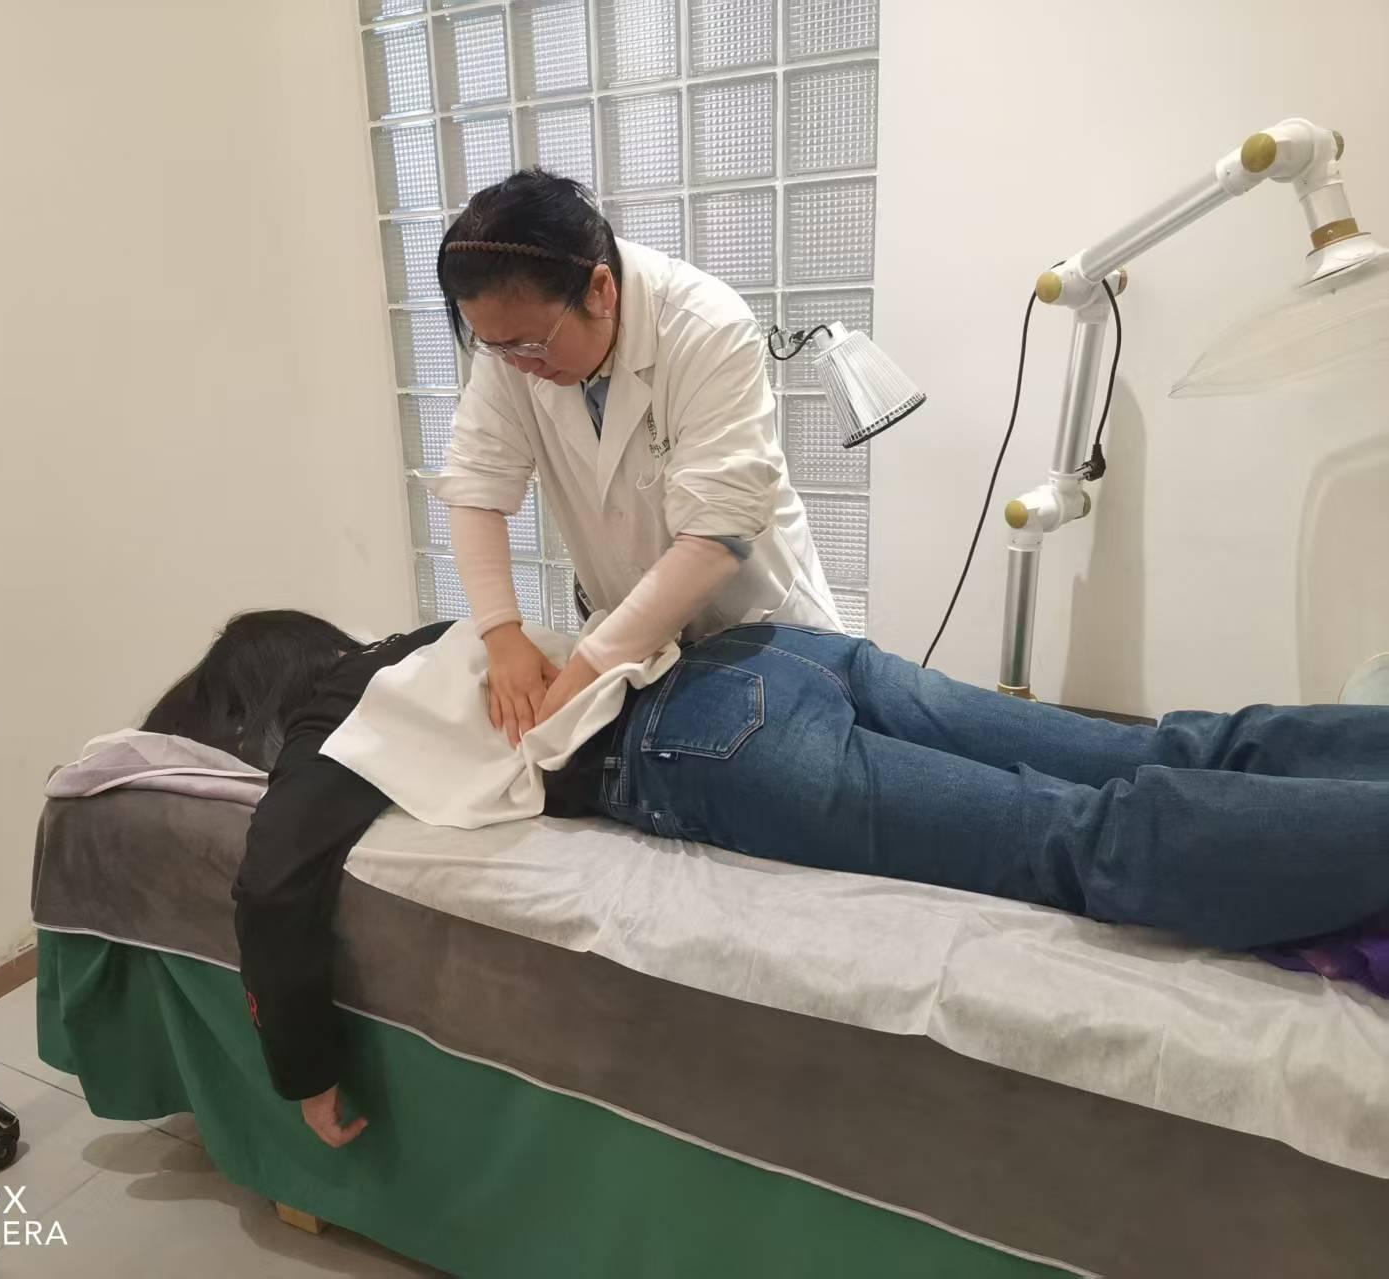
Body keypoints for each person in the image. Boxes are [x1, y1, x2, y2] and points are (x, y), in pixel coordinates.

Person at [184, 611, 1389, 1148]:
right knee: (1152, 748)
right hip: (780, 652)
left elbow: (272, 882)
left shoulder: (329, 722)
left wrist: (305, 1072)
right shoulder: (428, 636)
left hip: (710, 743)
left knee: (1074, 842)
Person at [434, 169, 841, 747]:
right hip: (637, 651)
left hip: (758, 631)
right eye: (495, 347)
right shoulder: (512, 346)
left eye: (530, 344)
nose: (519, 365)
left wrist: (589, 666)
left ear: (600, 290)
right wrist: (501, 634)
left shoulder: (707, 327)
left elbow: (717, 534)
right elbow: (476, 486)